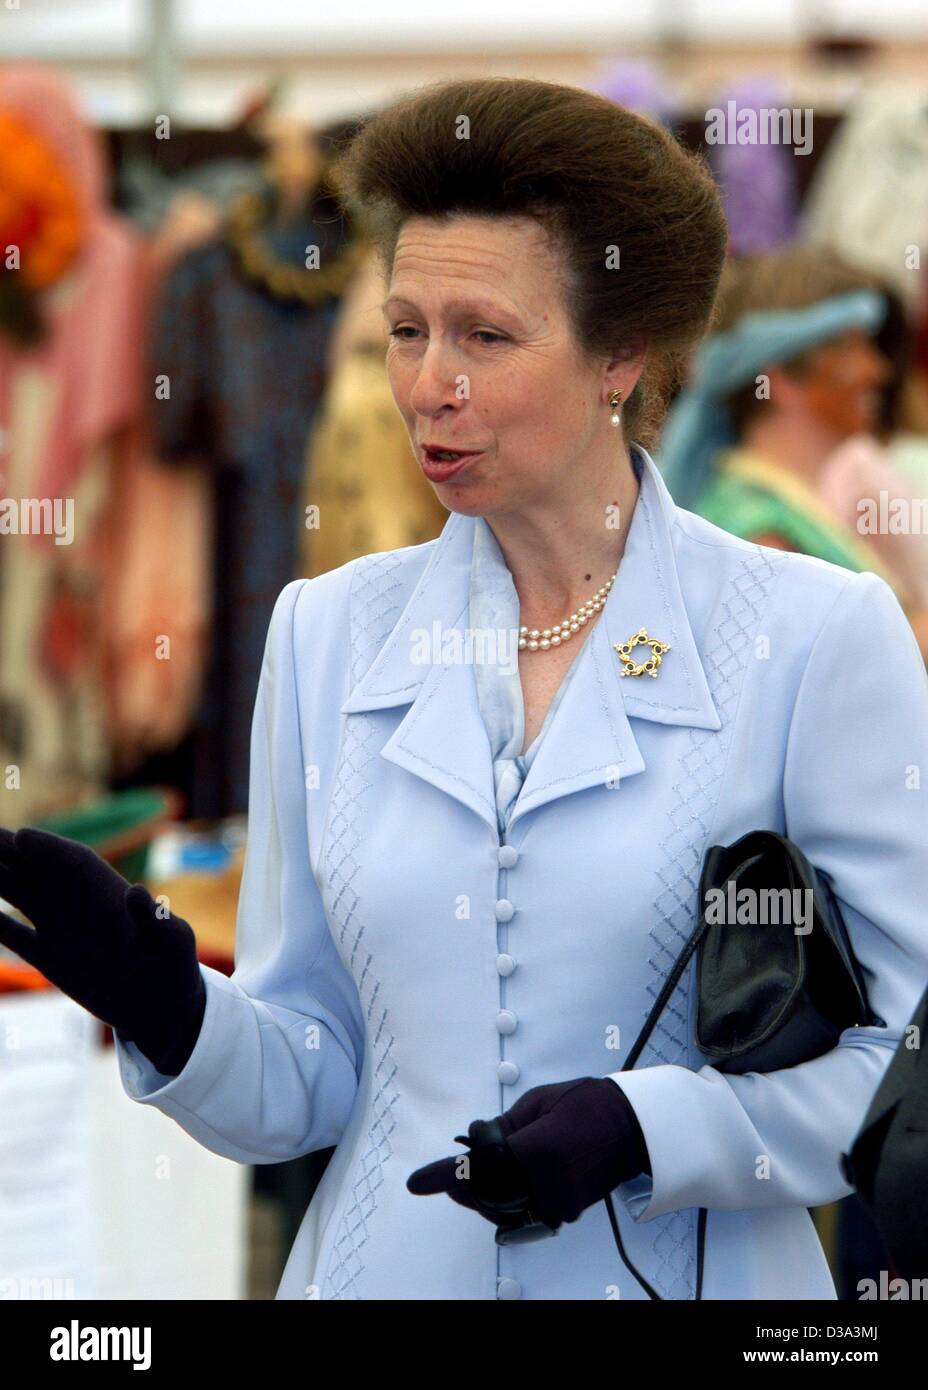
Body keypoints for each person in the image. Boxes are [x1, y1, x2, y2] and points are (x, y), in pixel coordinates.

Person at [1, 76, 927, 1302]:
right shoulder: (323, 632)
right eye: (403, 328)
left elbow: (899, 1068)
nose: (427, 383)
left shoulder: (813, 638)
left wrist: (648, 1127)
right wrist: (169, 1006)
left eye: (484, 336)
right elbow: (312, 1078)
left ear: (621, 355)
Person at [658, 245, 928, 660]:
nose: (879, 370)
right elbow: (810, 679)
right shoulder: (753, 529)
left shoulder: (789, 504)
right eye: (850, 347)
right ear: (781, 377)